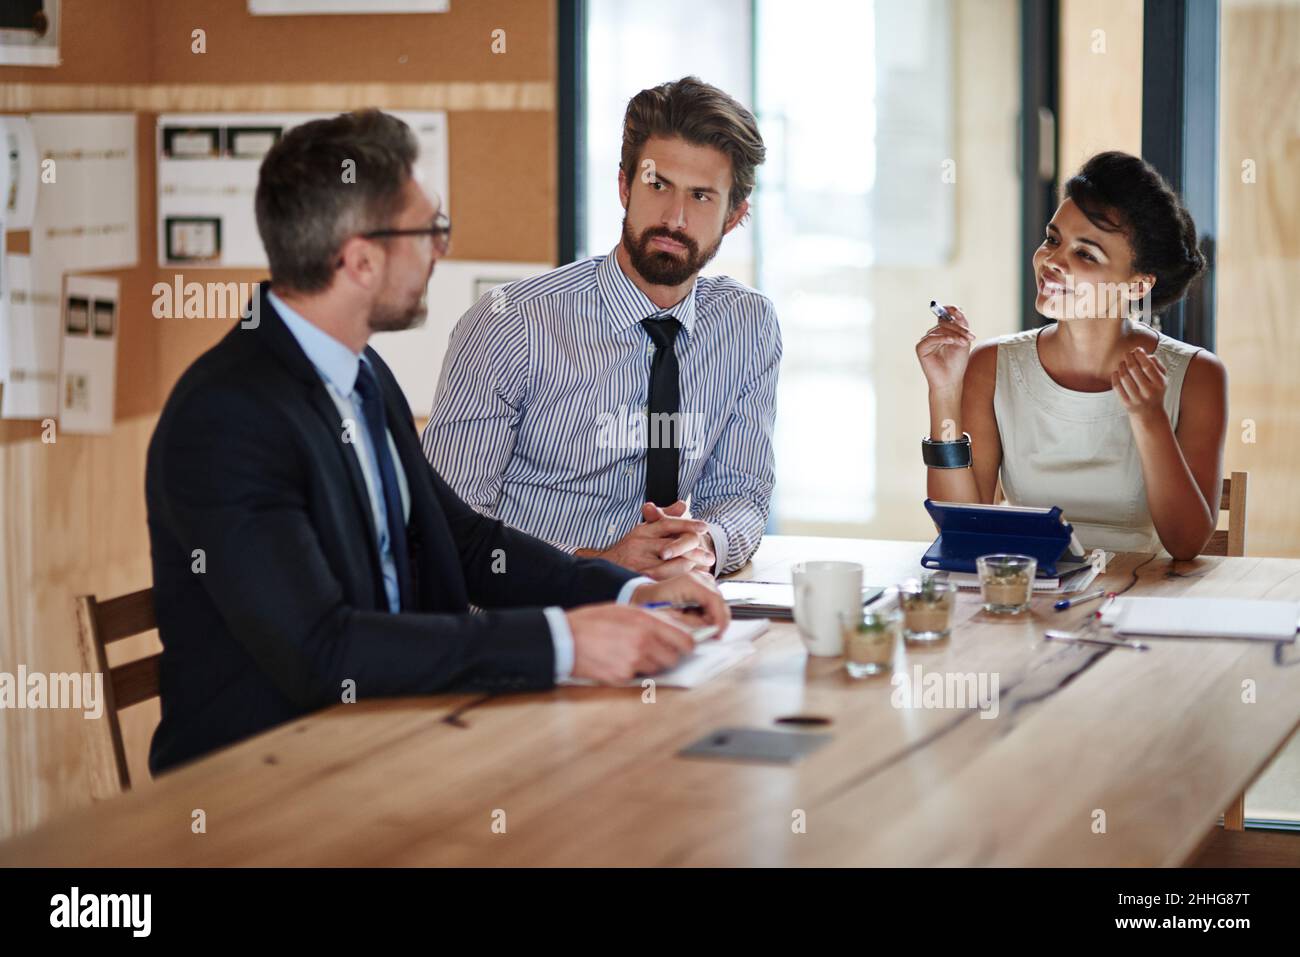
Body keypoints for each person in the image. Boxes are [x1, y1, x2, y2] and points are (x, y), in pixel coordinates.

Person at [145, 110, 727, 773]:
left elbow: (467, 541)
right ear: (361, 260)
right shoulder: (226, 418)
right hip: (269, 782)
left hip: (396, 737)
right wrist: (561, 641)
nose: (441, 249)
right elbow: (322, 651)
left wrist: (623, 591)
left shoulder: (361, 372)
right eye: (430, 231)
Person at [422, 76, 781, 579]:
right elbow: (444, 533)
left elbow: (741, 493)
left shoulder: (747, 325)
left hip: (668, 610)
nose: (674, 219)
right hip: (533, 618)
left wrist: (707, 544)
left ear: (734, 216)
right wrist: (600, 566)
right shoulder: (511, 325)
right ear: (623, 186)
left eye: (701, 197)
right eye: (657, 185)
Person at [915, 151, 1227, 558]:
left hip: (1140, 597)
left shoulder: (1197, 375)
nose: (1052, 262)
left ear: (1136, 286)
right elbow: (965, 526)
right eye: (1053, 239)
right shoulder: (993, 366)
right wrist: (943, 392)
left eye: (1085, 254)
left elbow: (1186, 544)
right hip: (1030, 594)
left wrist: (1150, 418)